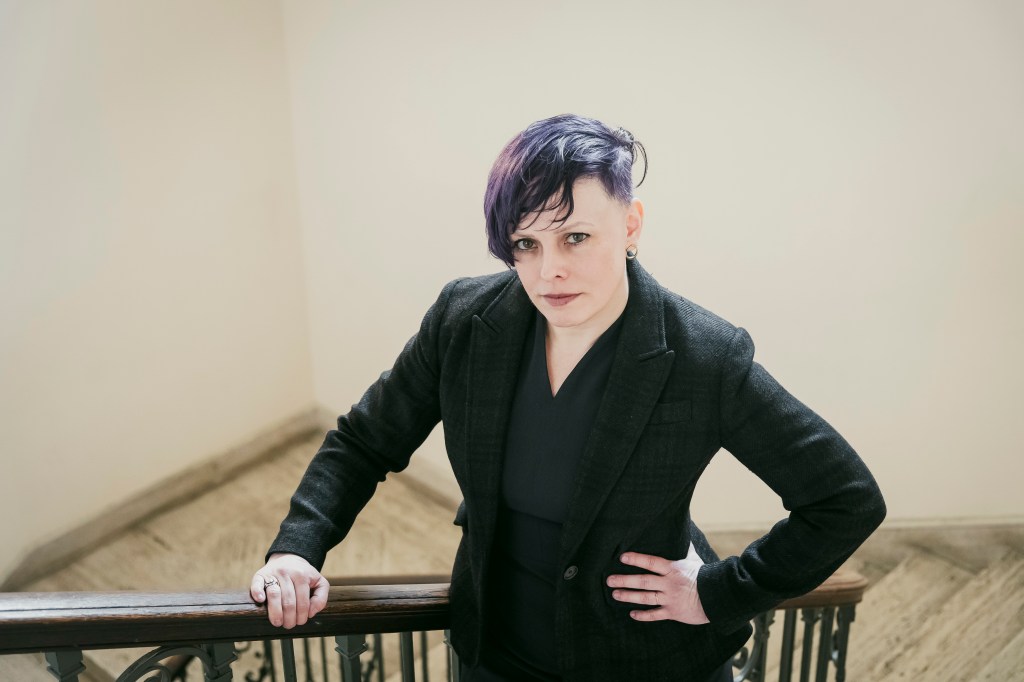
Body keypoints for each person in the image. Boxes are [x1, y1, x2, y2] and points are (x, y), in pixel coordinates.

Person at [248, 113, 886, 681]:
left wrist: (720, 592)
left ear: (631, 223)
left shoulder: (704, 356)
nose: (548, 270)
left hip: (642, 661)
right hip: (494, 654)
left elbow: (844, 499)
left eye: (575, 237)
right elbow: (363, 441)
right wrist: (298, 547)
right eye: (526, 244)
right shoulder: (464, 321)